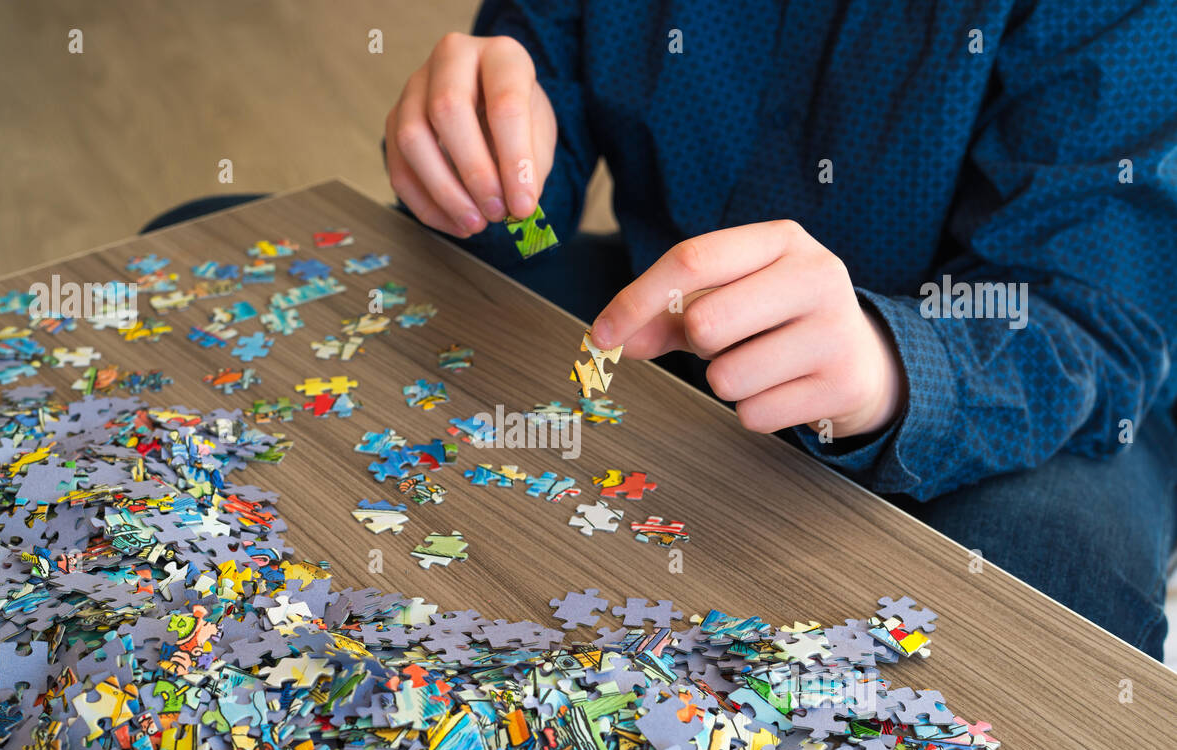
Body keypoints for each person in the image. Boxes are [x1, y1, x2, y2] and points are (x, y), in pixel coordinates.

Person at [381, 1, 1177, 659]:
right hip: (671, 316)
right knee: (361, 296)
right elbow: (533, 223)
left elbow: (1093, 314)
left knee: (1031, 610)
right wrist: (476, 172)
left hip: (1028, 390)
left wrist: (893, 368)